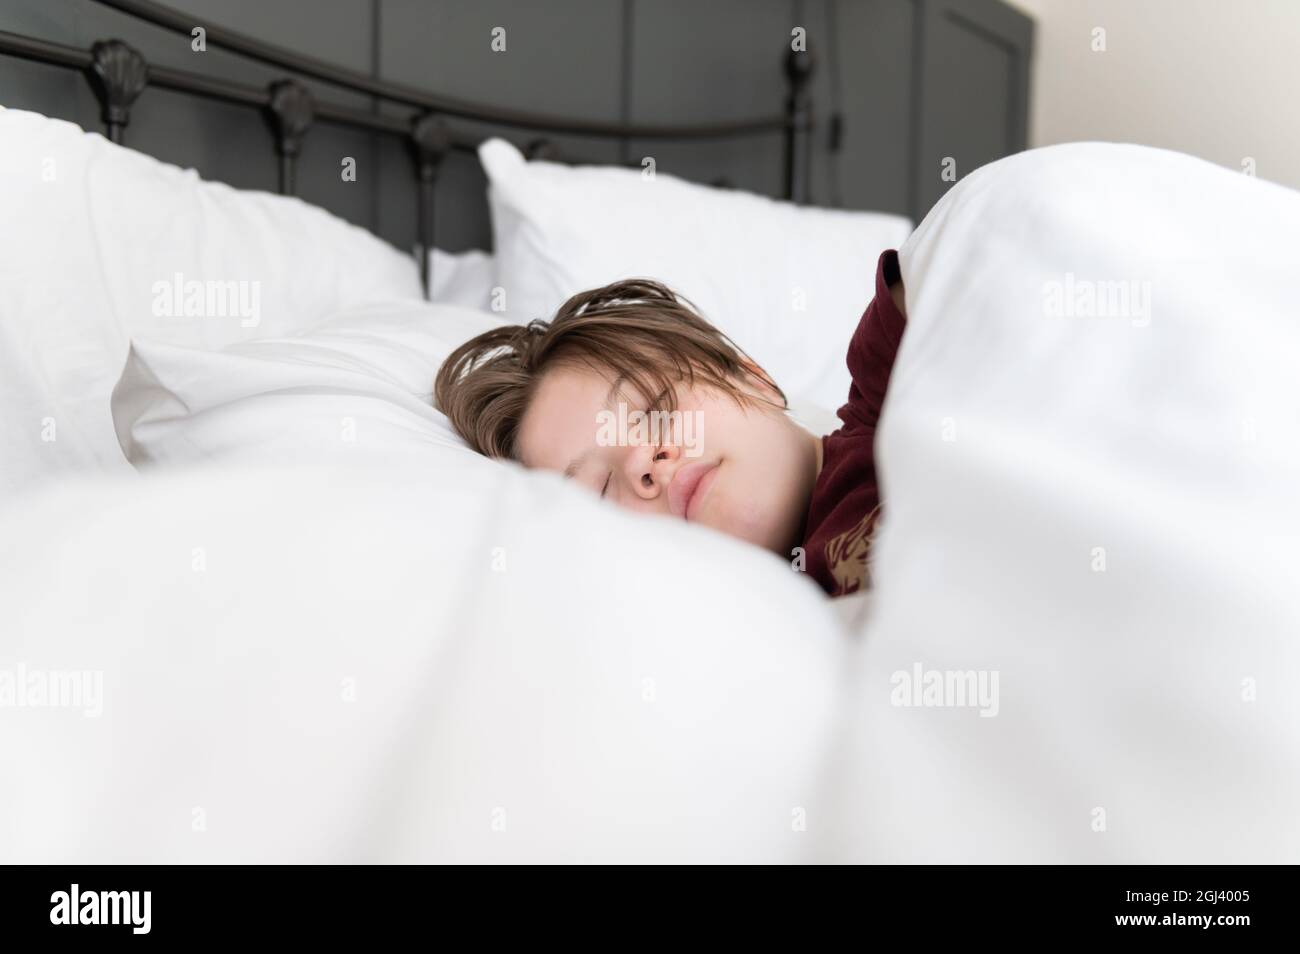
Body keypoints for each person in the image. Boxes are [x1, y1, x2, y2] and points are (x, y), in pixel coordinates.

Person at [435, 251, 907, 597]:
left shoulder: (889, 392)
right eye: (600, 489)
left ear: (752, 375)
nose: (646, 460)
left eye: (656, 410)